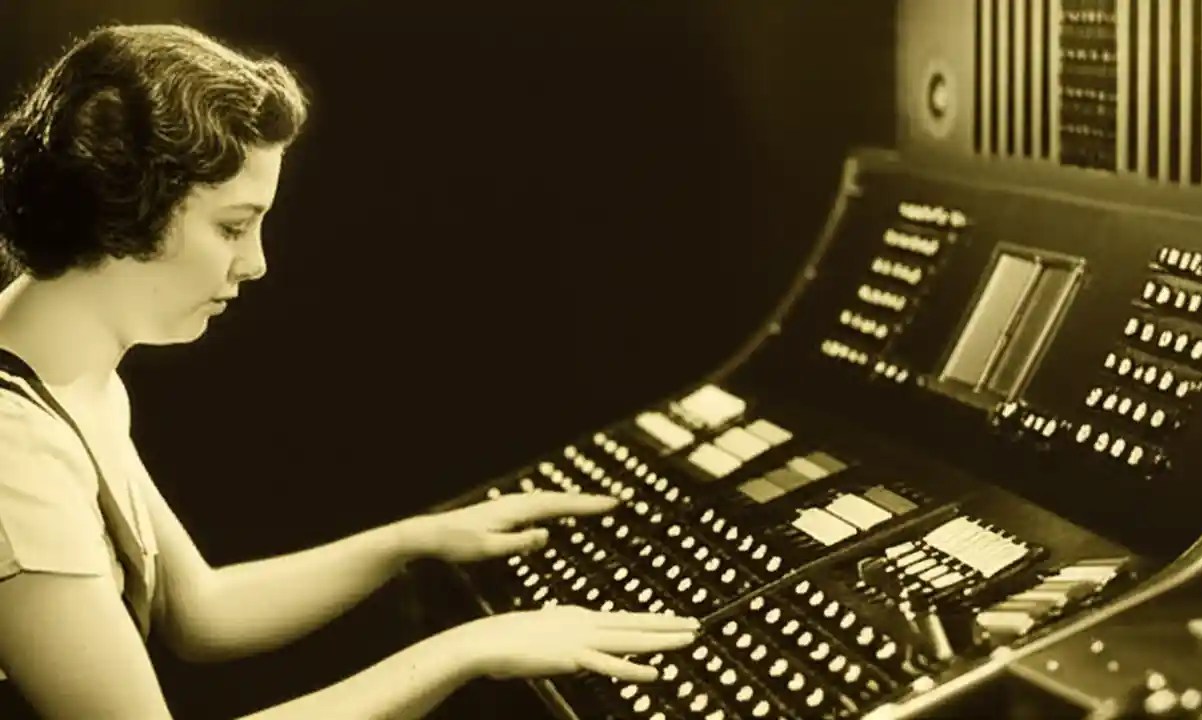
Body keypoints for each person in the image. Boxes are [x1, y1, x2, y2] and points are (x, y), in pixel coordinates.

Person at [0, 23, 698, 720]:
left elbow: (198, 611)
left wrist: (413, 541)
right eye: (233, 226)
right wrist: (473, 648)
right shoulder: (15, 456)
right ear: (125, 202)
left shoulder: (67, 373)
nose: (256, 263)